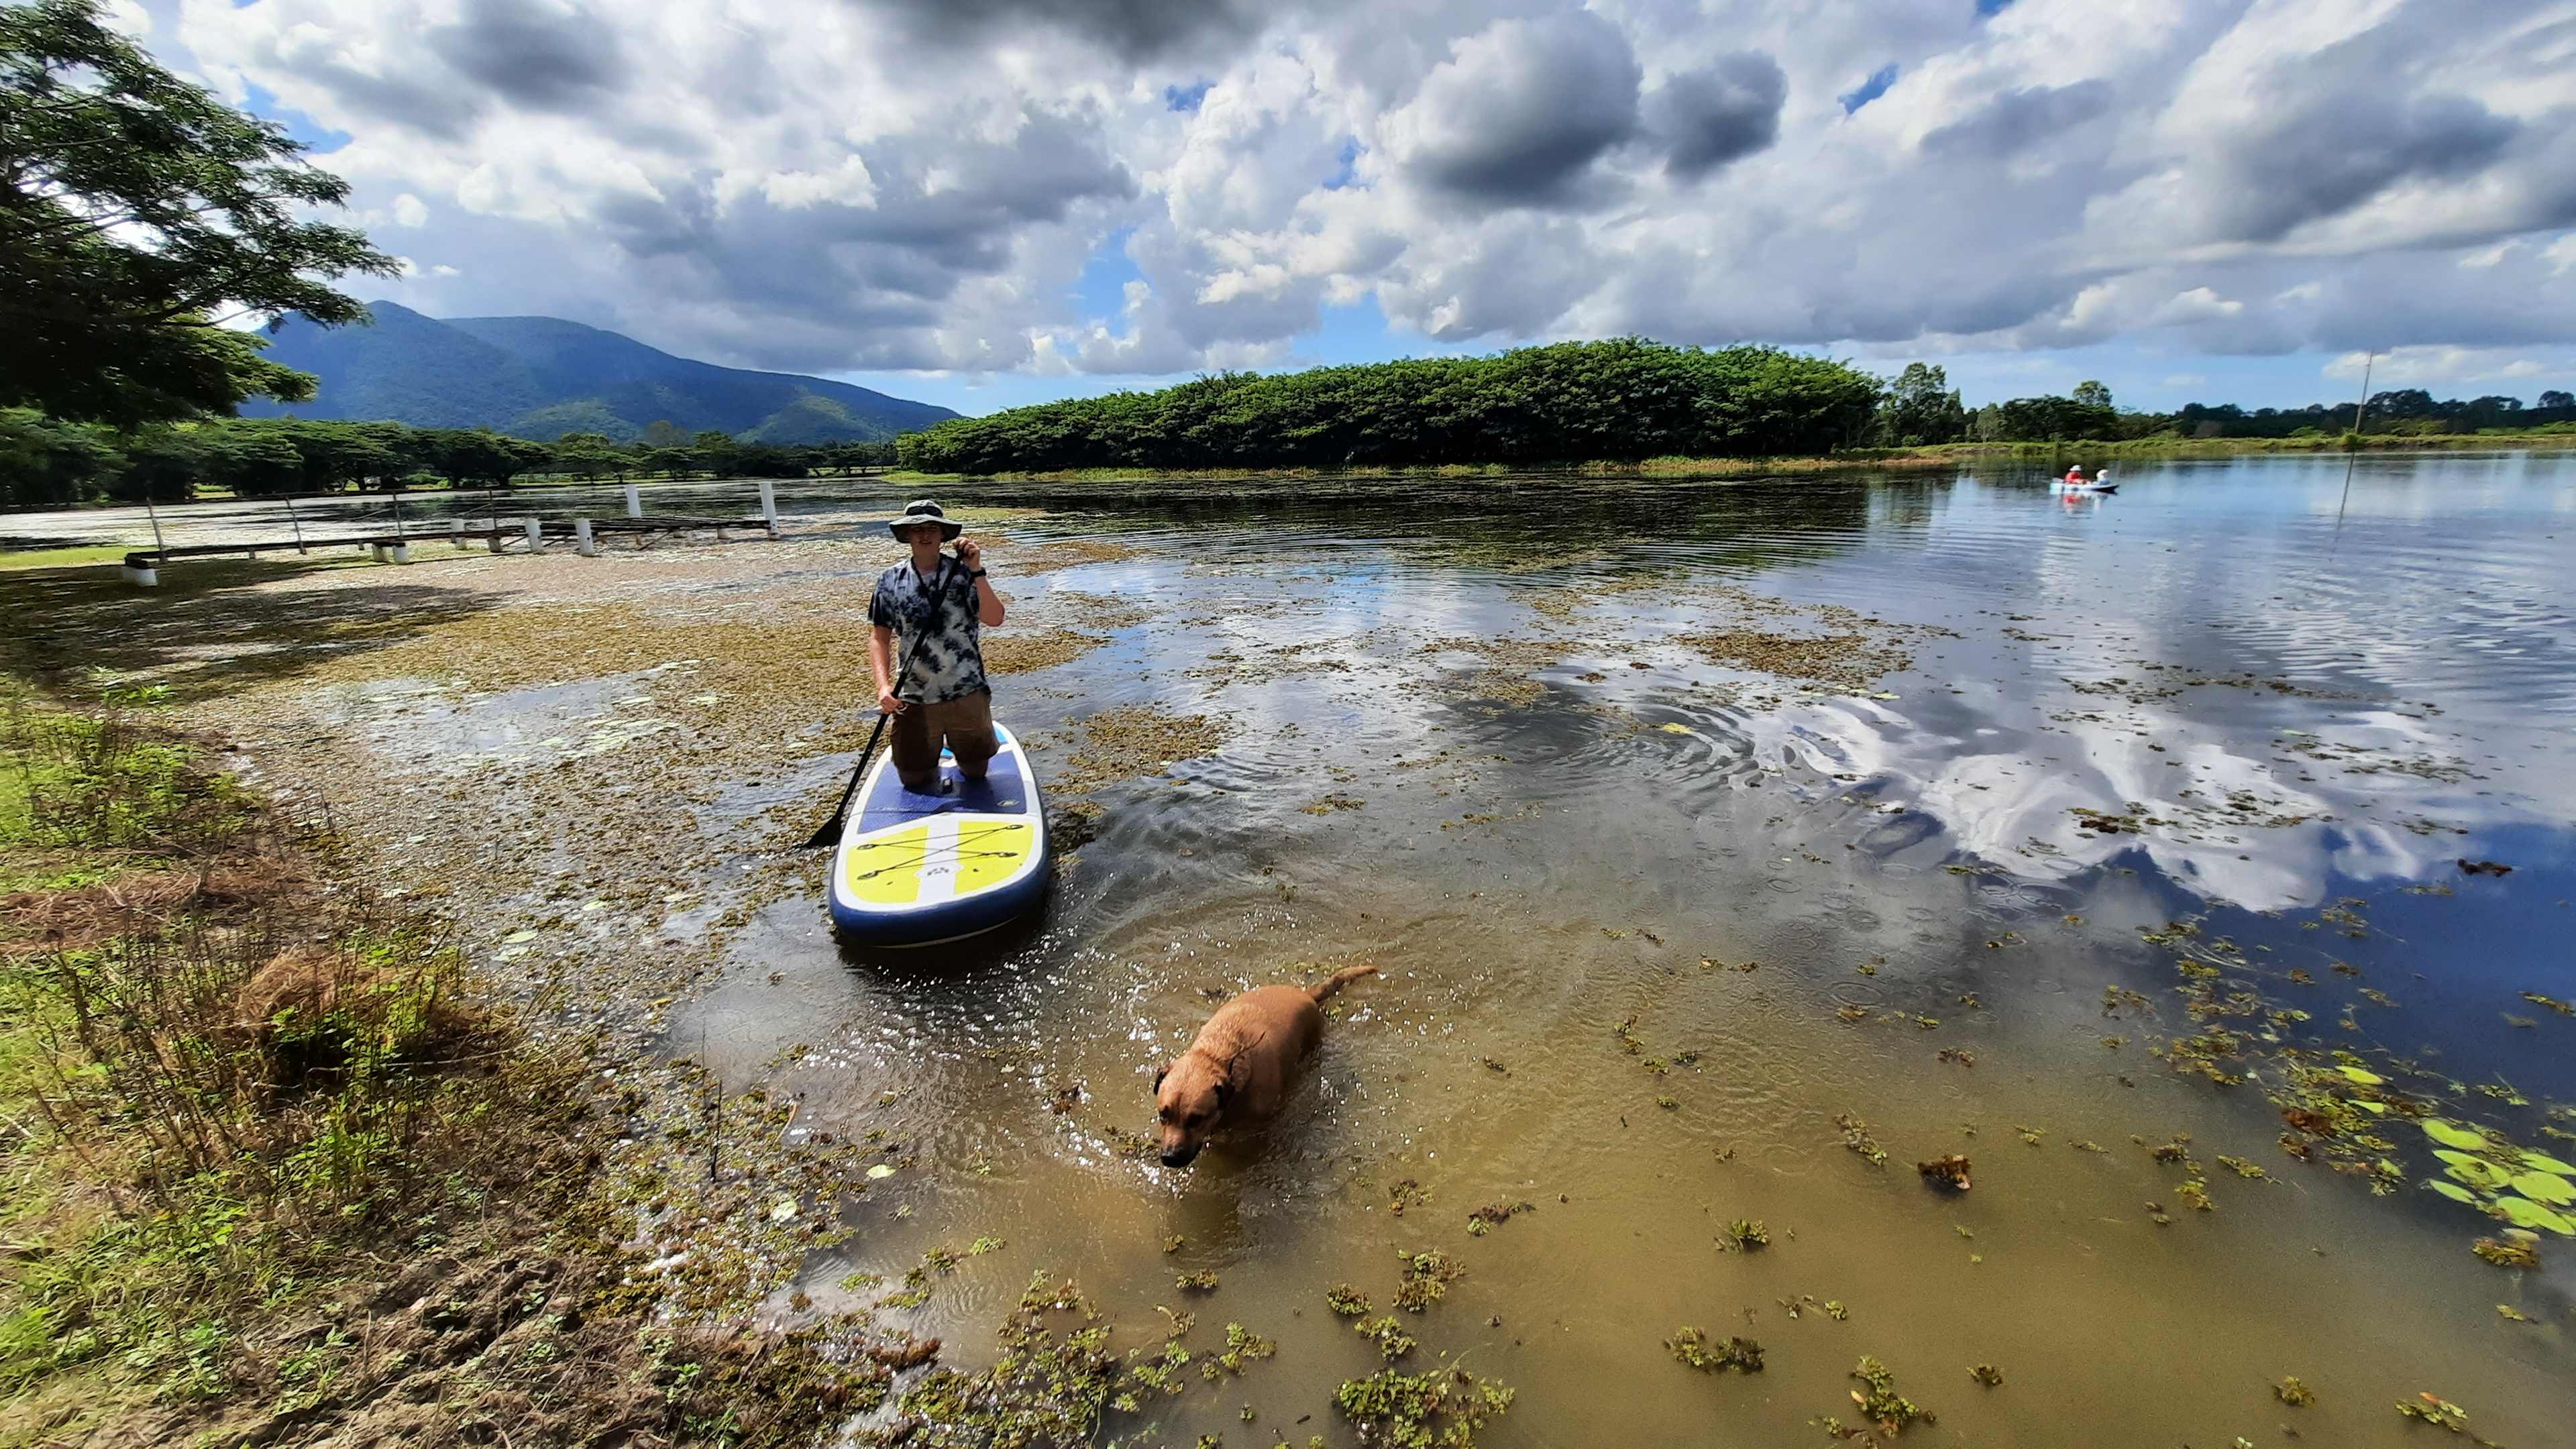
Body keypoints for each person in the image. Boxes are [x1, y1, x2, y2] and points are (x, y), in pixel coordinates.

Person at [868, 499, 1006, 794]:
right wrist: (883, 687)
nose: (925, 535)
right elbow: (879, 637)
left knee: (976, 771)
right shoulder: (890, 580)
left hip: (966, 689)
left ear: (943, 534)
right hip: (914, 694)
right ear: (907, 534)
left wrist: (977, 569)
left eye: (932, 528)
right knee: (913, 779)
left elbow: (995, 618)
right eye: (917, 529)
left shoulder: (963, 574)